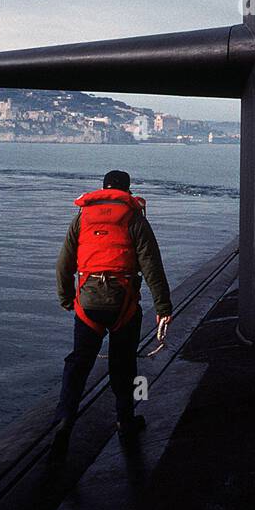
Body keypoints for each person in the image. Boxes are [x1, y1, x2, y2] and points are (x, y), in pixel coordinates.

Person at [49, 169, 172, 459]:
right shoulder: (134, 218)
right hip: (123, 302)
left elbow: (63, 263)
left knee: (79, 362)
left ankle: (65, 419)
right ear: (127, 192)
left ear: (103, 189)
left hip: (88, 301)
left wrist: (66, 297)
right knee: (123, 364)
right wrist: (163, 307)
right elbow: (152, 265)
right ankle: (124, 421)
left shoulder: (83, 217)